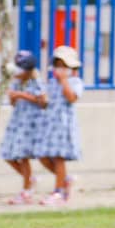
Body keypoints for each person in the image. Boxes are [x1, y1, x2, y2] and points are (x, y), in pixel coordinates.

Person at [34, 45, 85, 206]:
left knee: (58, 157)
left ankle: (59, 191)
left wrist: (64, 81)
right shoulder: (51, 83)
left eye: (64, 66)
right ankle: (65, 180)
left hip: (63, 126)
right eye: (58, 65)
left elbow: (71, 98)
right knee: (42, 155)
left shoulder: (75, 82)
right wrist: (42, 99)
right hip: (50, 124)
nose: (60, 69)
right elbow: (45, 103)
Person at [0, 50, 47, 205]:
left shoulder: (36, 82)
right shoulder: (17, 82)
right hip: (17, 122)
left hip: (30, 124)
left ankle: (26, 190)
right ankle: (30, 179)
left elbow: (44, 102)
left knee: (23, 156)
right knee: (8, 154)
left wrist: (21, 95)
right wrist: (12, 97)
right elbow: (13, 103)